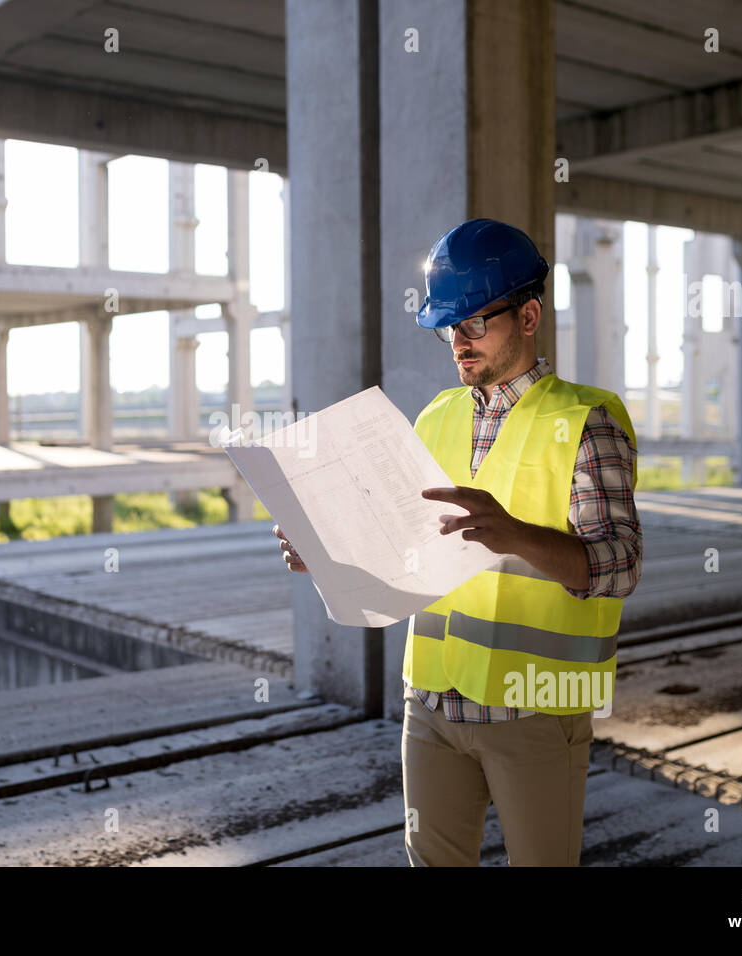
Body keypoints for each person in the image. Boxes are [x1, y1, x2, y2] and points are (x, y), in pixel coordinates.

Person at [272, 218, 642, 866]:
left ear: (528, 316)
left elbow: (620, 565)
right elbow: (403, 542)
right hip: (432, 704)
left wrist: (518, 535)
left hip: (535, 710)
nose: (458, 341)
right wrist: (328, 554)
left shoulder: (585, 422)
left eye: (475, 322)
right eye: (449, 325)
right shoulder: (436, 416)